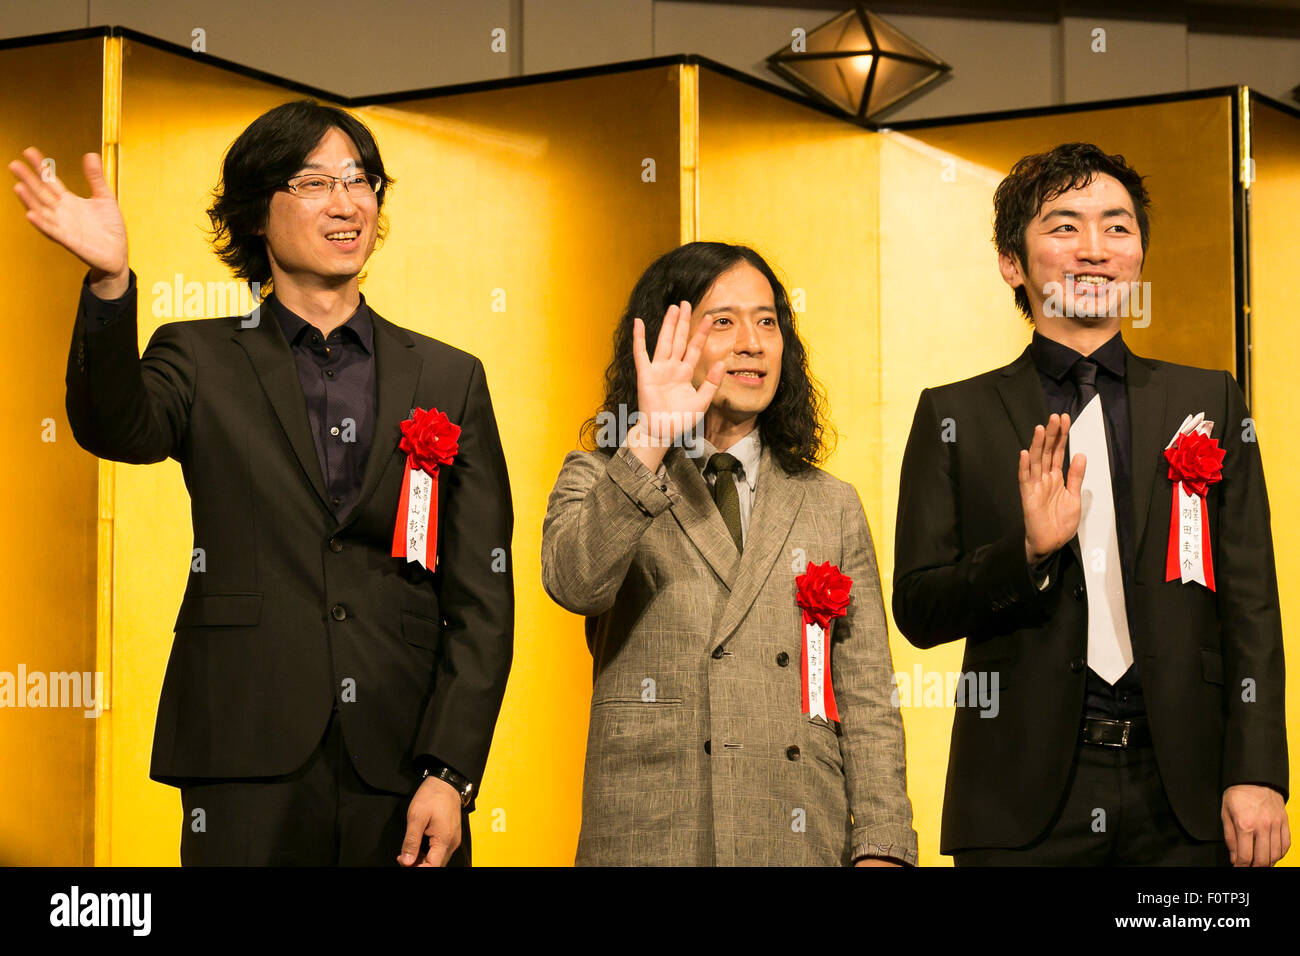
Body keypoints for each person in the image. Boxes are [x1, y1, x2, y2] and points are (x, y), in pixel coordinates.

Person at [8, 99, 514, 866]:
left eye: (360, 179)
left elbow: (482, 599)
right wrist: (111, 284)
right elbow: (114, 427)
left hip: (402, 761)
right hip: (242, 752)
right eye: (313, 182)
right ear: (256, 213)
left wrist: (451, 770)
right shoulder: (200, 356)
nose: (346, 202)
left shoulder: (448, 375)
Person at [893, 142, 1288, 866]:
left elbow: (1251, 600)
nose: (1096, 248)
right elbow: (918, 608)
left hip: (1185, 793)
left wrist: (1258, 770)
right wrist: (1026, 555)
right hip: (1023, 798)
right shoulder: (956, 414)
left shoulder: (1207, 401)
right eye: (1065, 226)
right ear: (1013, 262)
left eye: (1117, 226)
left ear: (1138, 254)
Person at [542, 241, 917, 866]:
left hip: (795, 829)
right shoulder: (604, 474)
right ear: (671, 339)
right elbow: (575, 583)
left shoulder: (830, 503)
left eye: (767, 321)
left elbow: (869, 695)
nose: (752, 343)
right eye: (724, 322)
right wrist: (650, 443)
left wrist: (882, 847)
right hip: (653, 831)